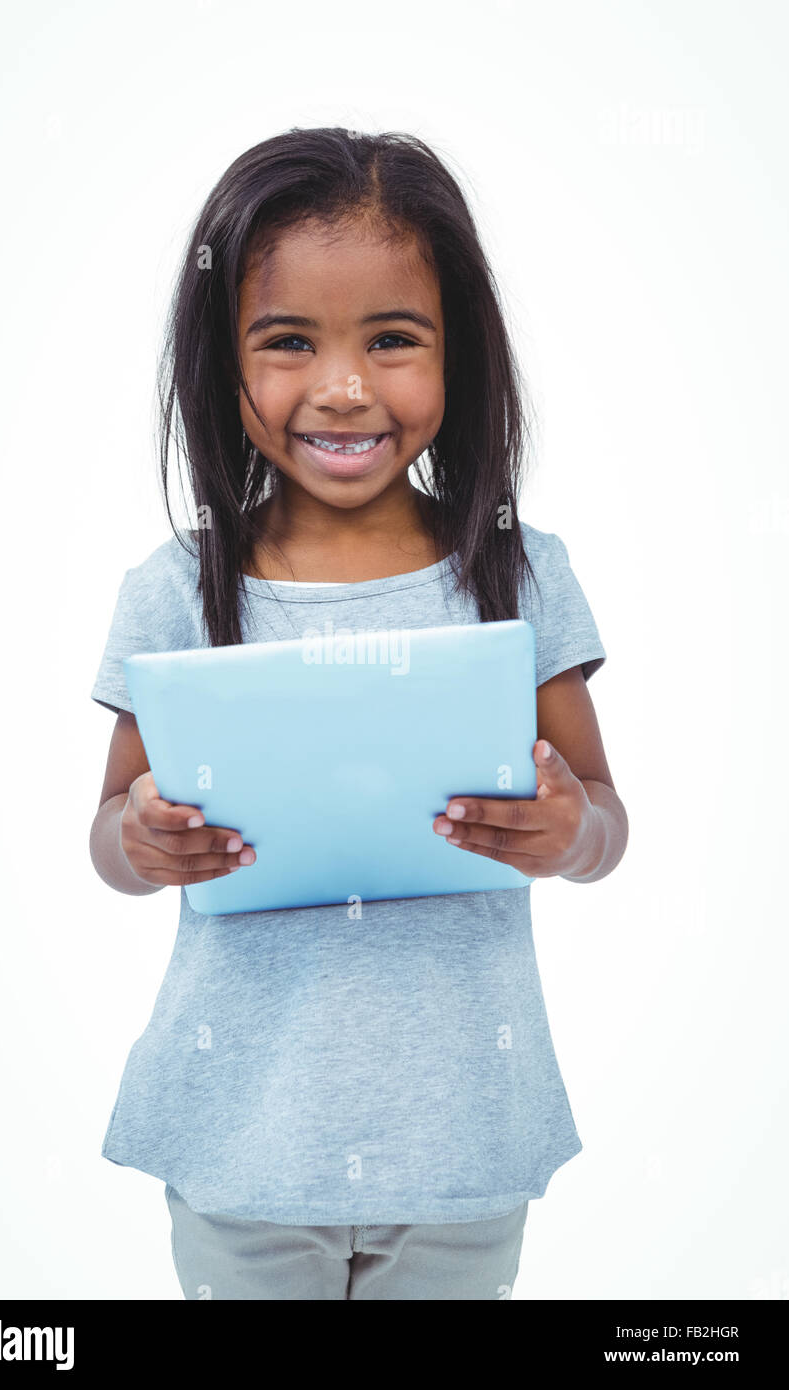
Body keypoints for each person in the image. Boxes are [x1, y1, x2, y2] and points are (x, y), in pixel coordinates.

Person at [88, 127, 629, 1301]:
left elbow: (601, 819)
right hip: (244, 1133)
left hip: (459, 1141)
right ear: (224, 366)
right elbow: (109, 837)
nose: (342, 387)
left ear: (459, 356)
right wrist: (140, 836)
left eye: (391, 339)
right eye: (288, 342)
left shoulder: (520, 574)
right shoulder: (174, 590)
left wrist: (567, 829)